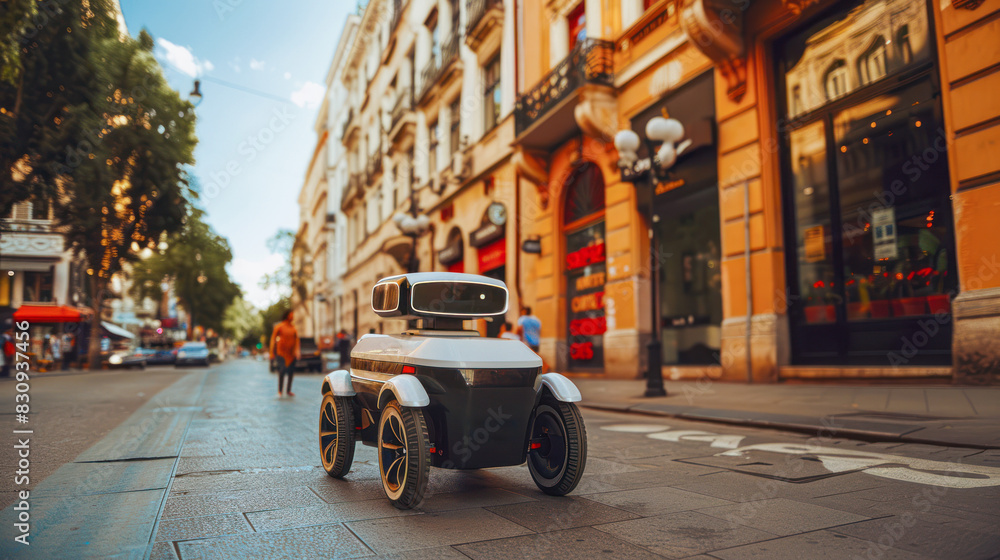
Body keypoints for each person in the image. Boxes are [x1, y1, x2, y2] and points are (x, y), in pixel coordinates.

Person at [269, 310, 300, 397]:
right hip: (281, 352)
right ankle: (280, 390)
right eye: (291, 315)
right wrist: (271, 352)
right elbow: (273, 339)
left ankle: (288, 390)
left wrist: (297, 351)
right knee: (282, 371)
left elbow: (297, 340)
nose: (293, 317)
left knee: (291, 372)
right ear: (287, 315)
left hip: (291, 353)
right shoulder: (279, 326)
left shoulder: (293, 328)